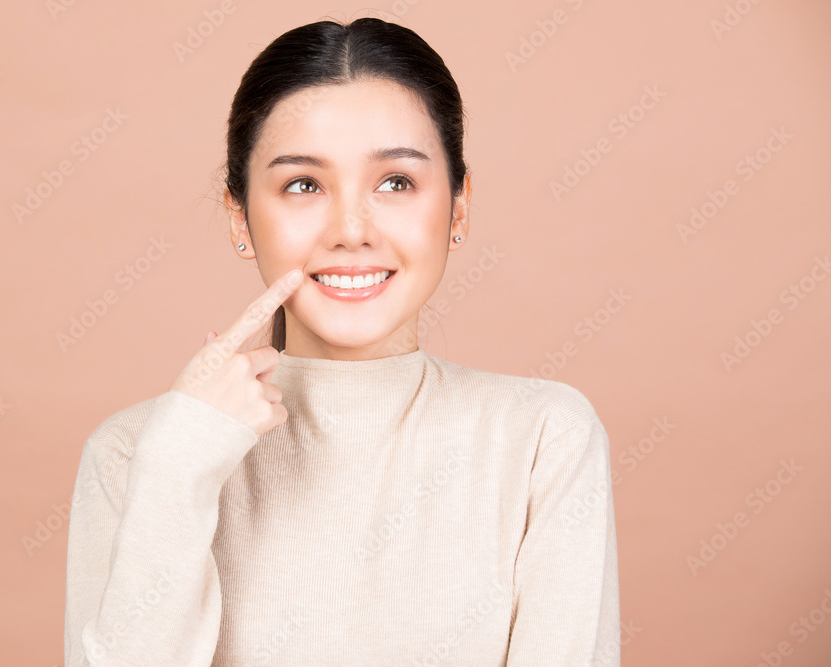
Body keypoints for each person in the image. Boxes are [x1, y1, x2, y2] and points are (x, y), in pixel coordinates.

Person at [64, 16, 620, 667]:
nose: (351, 230)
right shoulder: (135, 453)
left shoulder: (544, 438)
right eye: (303, 185)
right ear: (240, 217)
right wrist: (179, 464)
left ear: (459, 206)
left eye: (396, 182)